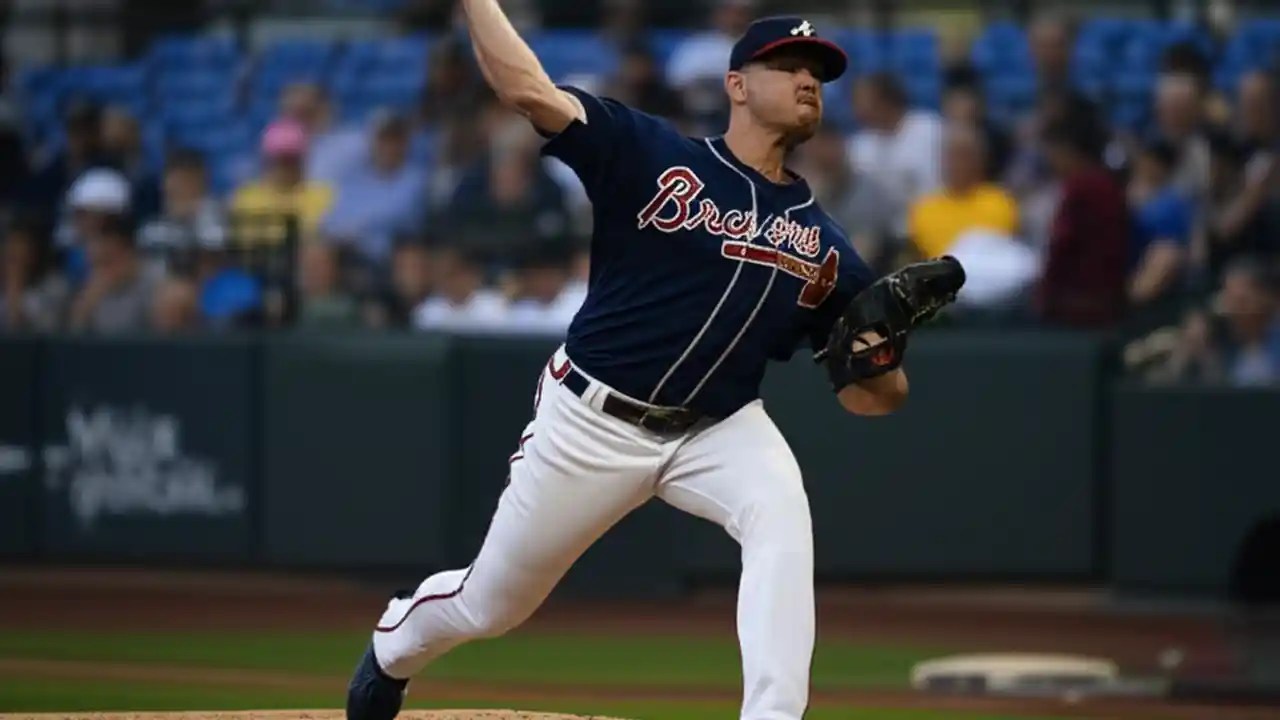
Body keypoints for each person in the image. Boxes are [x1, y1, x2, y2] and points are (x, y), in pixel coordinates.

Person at [346, 9, 962, 720]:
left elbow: (873, 399)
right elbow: (528, 91)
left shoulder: (826, 247)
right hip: (592, 418)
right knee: (494, 603)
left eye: (818, 73)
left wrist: (879, 344)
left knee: (781, 517)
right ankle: (395, 644)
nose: (808, 81)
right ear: (736, 83)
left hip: (718, 427)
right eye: (790, 66)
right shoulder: (655, 156)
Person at [1037, 115, 1128, 328]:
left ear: (1069, 151)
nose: (1051, 160)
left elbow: (1062, 244)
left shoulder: (1080, 187)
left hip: (1077, 304)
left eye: (1054, 152)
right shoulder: (1110, 184)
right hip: (1109, 300)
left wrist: (1044, 295)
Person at [321, 111, 428, 269]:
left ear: (405, 144)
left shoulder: (416, 180)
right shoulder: (353, 177)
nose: (388, 147)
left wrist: (357, 230)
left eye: (395, 140)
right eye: (383, 140)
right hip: (344, 253)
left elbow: (397, 215)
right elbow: (332, 218)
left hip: (387, 259)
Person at [848, 71, 944, 238]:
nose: (857, 108)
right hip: (881, 235)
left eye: (862, 100)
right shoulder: (858, 147)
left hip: (931, 225)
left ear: (886, 101)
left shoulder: (930, 130)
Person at [908, 124, 1019, 260]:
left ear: (980, 160)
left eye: (964, 155)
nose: (957, 163)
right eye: (951, 156)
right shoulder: (924, 207)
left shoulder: (1000, 203)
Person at [231, 119, 334, 246]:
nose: (285, 168)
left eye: (292, 160)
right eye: (280, 161)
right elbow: (246, 240)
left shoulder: (322, 195)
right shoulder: (247, 196)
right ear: (267, 161)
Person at [1127, 138, 1194, 314]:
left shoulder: (1170, 204)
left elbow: (1167, 254)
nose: (1143, 165)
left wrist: (1135, 297)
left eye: (1149, 161)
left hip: (1154, 296)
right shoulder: (1128, 194)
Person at [67, 213, 162, 334]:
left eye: (107, 261)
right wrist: (83, 310)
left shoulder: (155, 285)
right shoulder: (89, 290)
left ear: (130, 254)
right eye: (95, 264)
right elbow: (73, 344)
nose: (100, 271)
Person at [0, 214, 69, 332]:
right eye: (9, 243)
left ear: (35, 251)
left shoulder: (55, 286)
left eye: (20, 244)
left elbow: (23, 335)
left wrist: (14, 284)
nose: (12, 251)